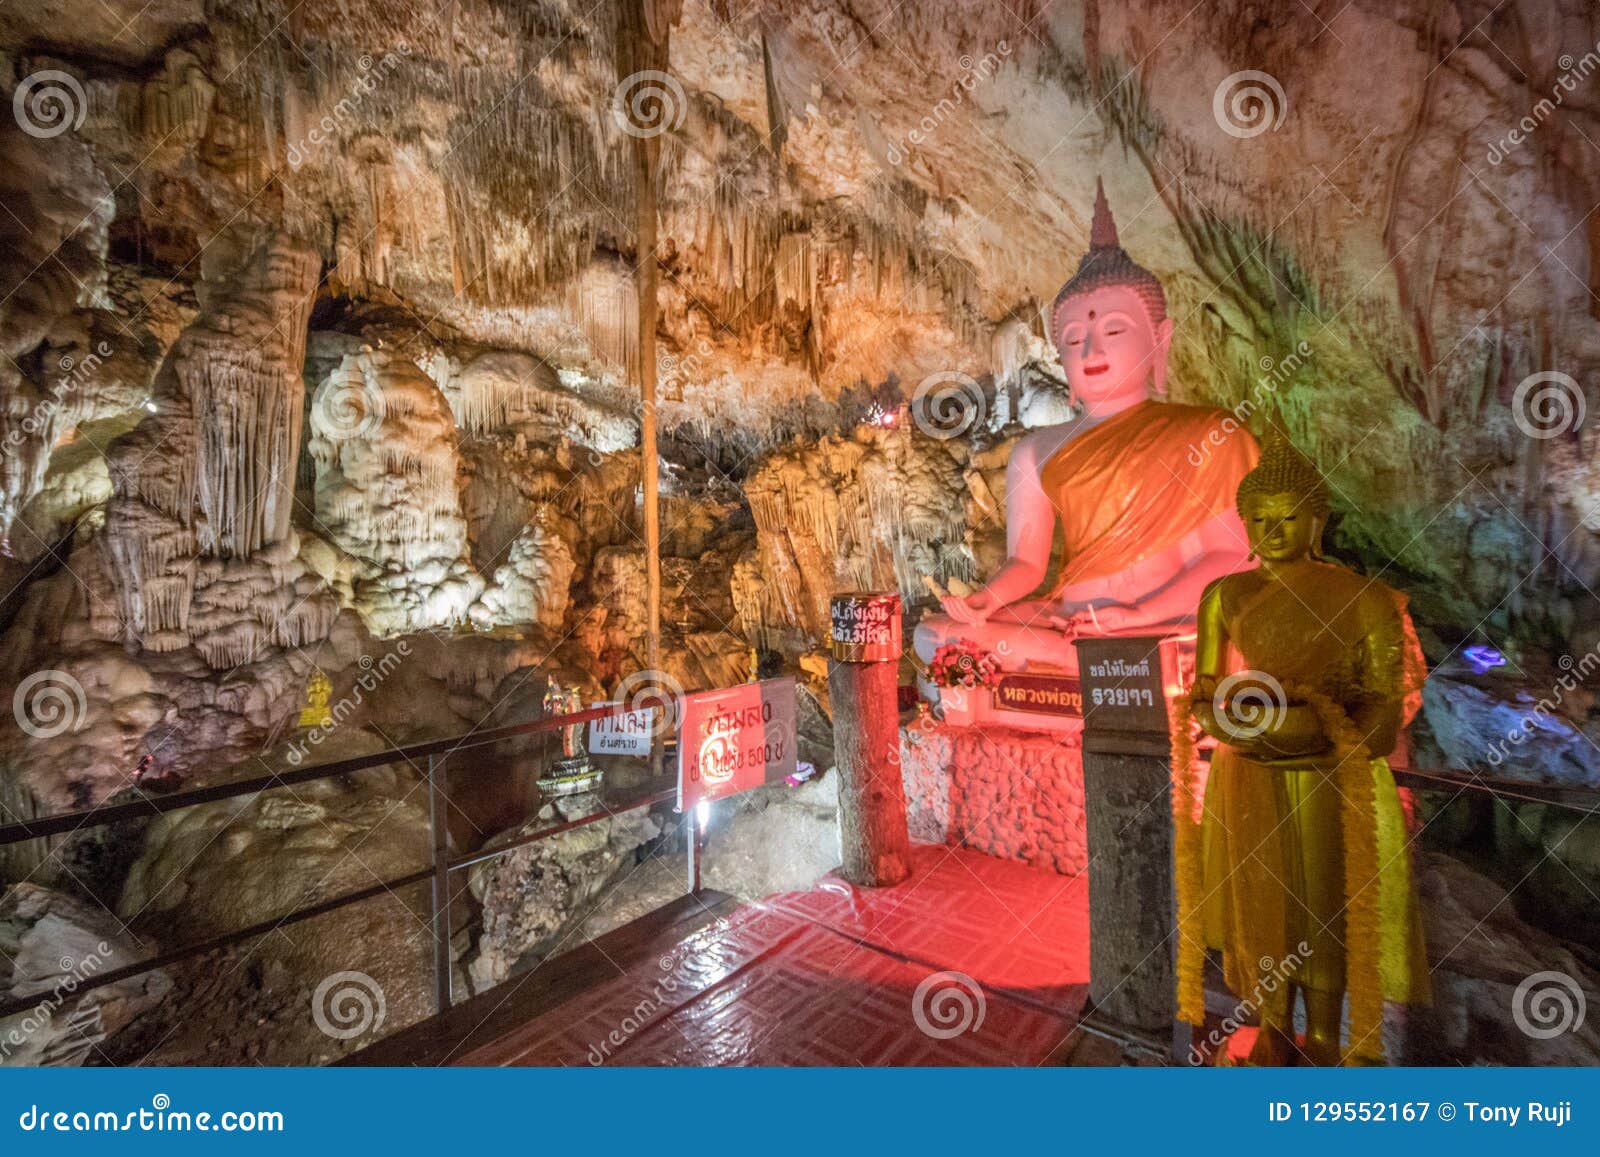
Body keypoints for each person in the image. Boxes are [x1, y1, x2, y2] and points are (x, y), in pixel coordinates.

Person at [1173, 430, 1431, 1065]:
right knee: (1260, 899)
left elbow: (1385, 712)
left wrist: (1316, 733)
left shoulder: (1365, 600)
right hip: (1248, 771)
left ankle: (1321, 1035)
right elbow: (1204, 694)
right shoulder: (1224, 596)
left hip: (1331, 776)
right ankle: (1270, 1026)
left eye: (1288, 517)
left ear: (1318, 521)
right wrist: (1240, 727)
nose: (1273, 530)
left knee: (1324, 906)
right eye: (1259, 519)